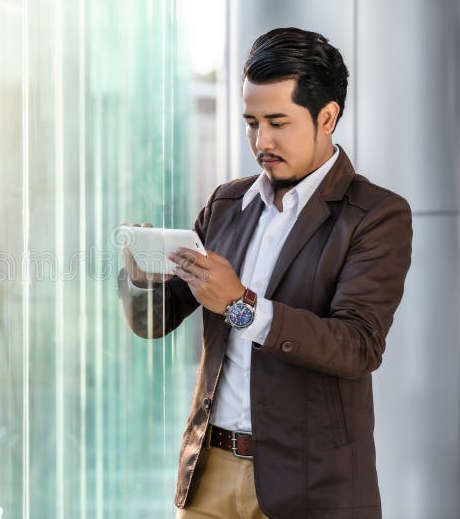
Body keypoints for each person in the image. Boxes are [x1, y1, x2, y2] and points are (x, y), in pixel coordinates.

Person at [118, 27, 412, 519]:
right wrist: (138, 274)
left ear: (327, 117)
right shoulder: (227, 204)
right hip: (208, 475)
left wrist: (242, 305)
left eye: (278, 122)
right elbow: (153, 321)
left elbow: (358, 346)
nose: (261, 140)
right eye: (251, 122)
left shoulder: (375, 215)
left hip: (310, 488)